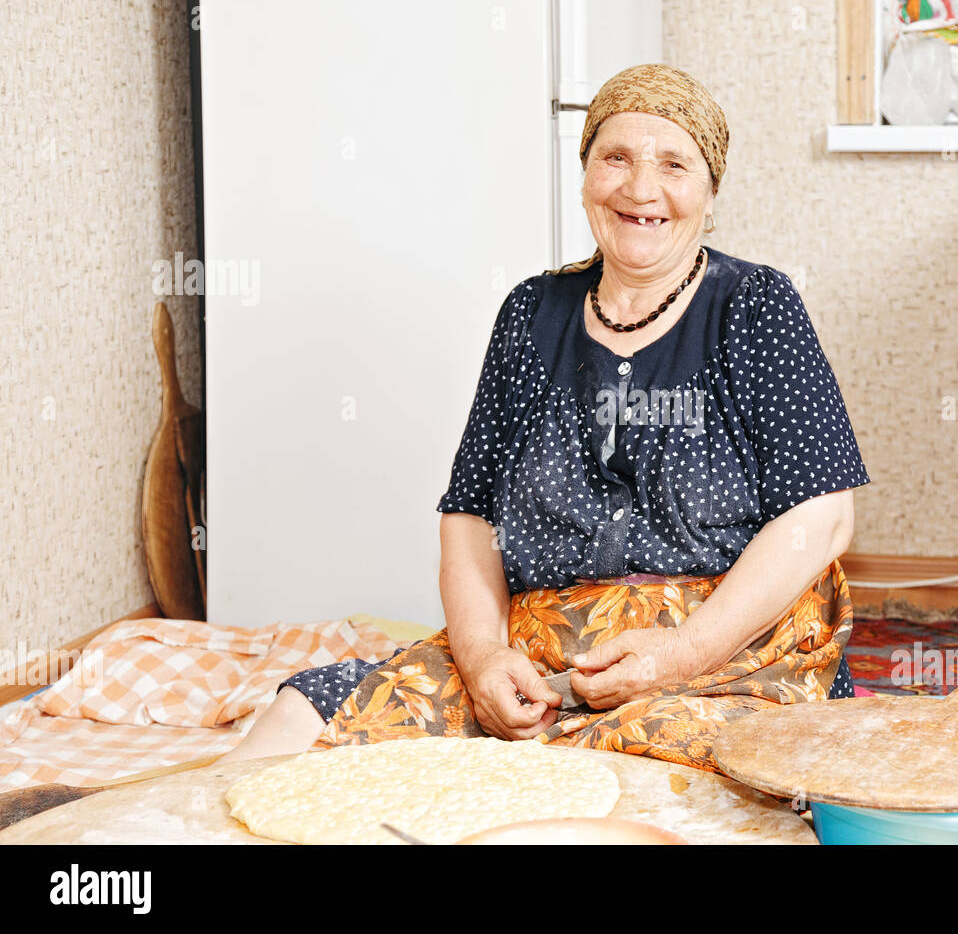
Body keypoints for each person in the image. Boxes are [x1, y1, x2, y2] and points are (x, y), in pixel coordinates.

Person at [223, 63, 870, 774]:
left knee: (650, 771)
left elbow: (822, 518)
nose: (641, 188)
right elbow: (469, 517)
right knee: (306, 718)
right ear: (586, 172)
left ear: (710, 192)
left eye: (673, 165)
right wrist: (483, 658)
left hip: (727, 656)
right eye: (615, 158)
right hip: (543, 661)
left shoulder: (755, 306)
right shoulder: (531, 315)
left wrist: (681, 653)